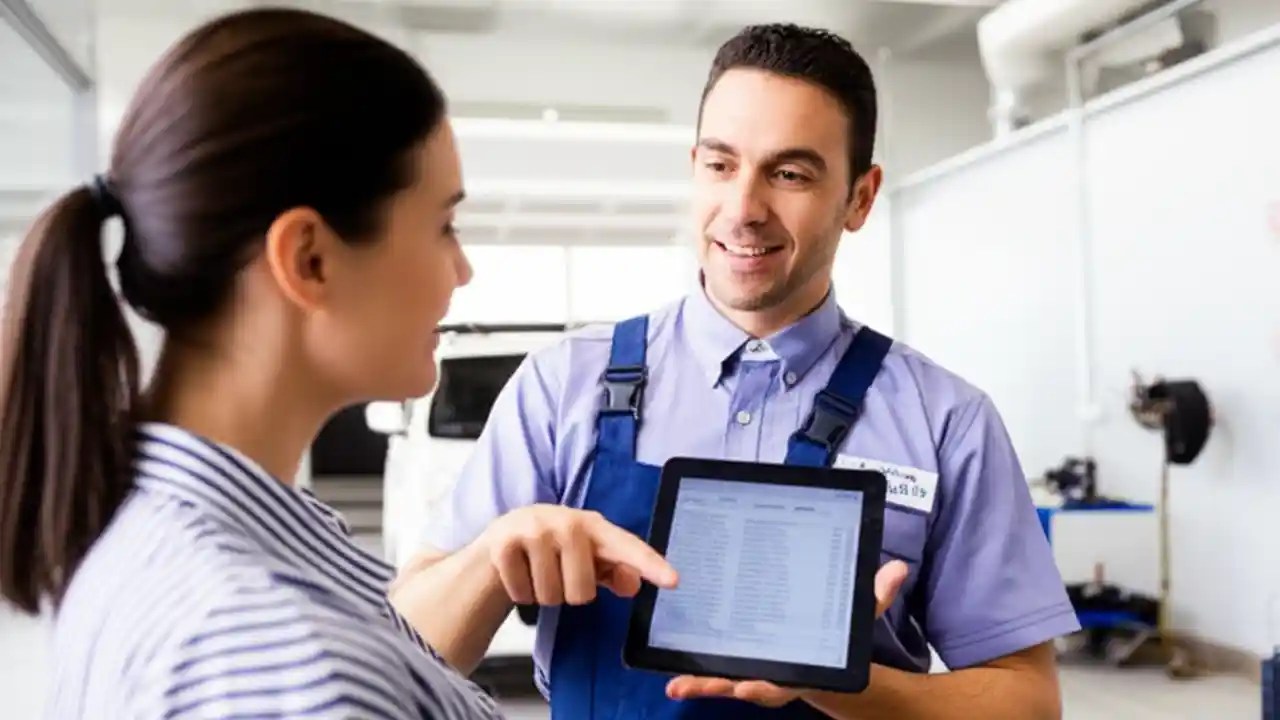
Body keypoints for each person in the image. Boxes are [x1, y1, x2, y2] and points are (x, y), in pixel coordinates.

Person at [0, 8, 678, 719]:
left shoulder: (158, 530)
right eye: (443, 225)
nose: (463, 270)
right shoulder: (285, 666)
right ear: (310, 259)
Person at [392, 23, 1081, 720]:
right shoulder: (561, 388)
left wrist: (843, 682)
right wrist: (491, 555)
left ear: (861, 199)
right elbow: (406, 653)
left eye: (790, 174)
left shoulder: (946, 422)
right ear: (696, 166)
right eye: (722, 165)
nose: (745, 209)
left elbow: (1026, 701)